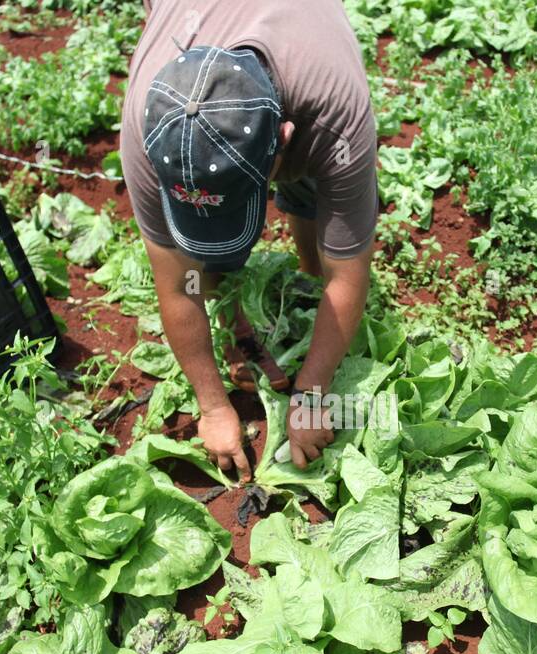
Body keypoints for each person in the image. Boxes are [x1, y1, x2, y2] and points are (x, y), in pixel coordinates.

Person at [120, 0, 377, 480]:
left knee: (316, 193)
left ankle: (306, 271)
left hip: (304, 55)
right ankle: (233, 314)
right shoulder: (147, 130)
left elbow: (349, 273)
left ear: (283, 138)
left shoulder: (336, 116)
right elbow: (178, 285)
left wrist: (312, 393)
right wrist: (213, 407)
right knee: (200, 256)